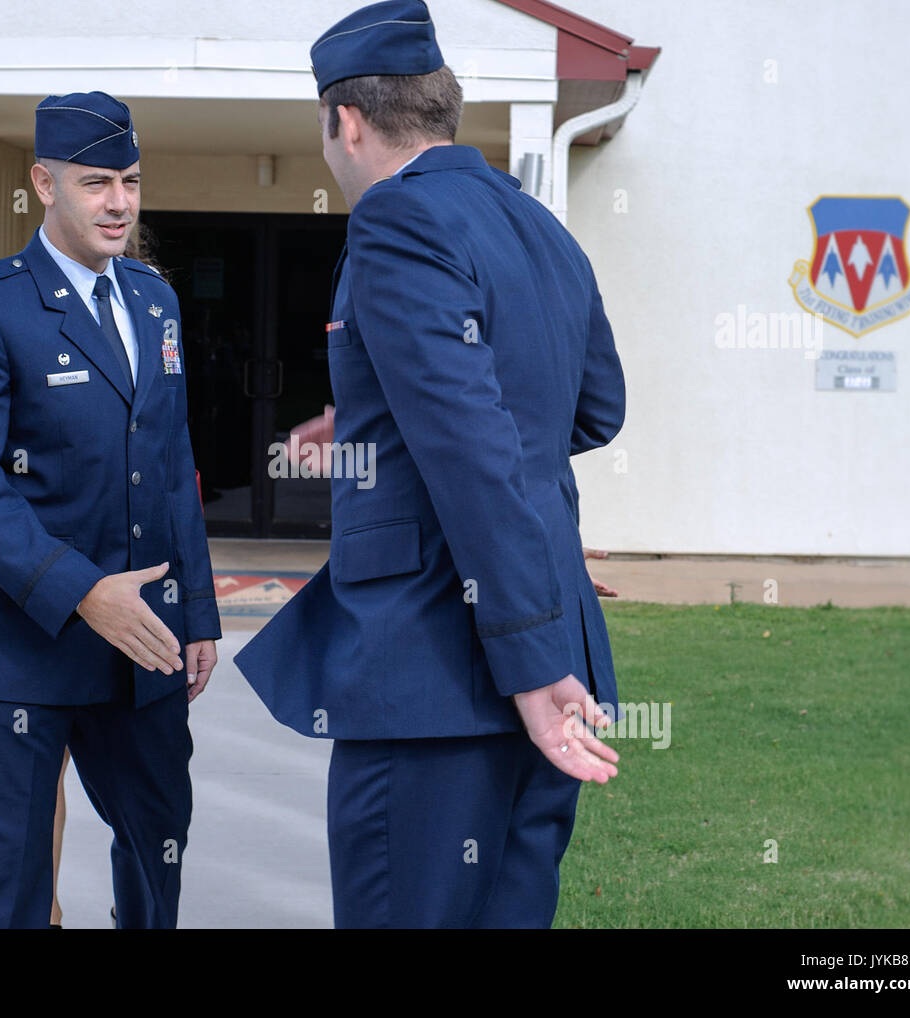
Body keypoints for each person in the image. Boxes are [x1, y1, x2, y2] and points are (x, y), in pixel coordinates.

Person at [235, 0, 626, 929]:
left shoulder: (395, 221)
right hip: (546, 642)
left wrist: (529, 670)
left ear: (348, 119)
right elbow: (590, 411)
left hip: (441, 669)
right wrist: (372, 427)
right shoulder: (540, 230)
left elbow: (470, 441)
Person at [0, 90, 220, 929]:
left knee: (159, 839)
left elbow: (169, 460)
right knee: (10, 866)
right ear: (43, 184)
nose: (119, 202)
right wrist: (84, 591)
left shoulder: (154, 300)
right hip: (20, 639)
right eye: (96, 183)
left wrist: (196, 610)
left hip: (143, 646)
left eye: (129, 180)